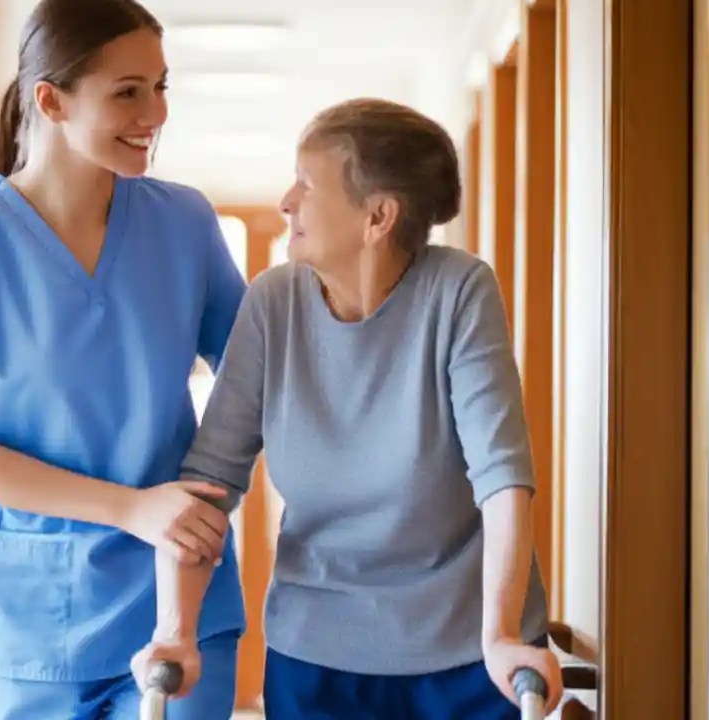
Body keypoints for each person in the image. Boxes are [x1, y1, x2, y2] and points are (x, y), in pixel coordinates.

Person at [134, 98, 564, 718]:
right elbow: (209, 481)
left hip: (468, 655)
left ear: (378, 216)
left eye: (307, 184)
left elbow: (502, 478)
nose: (287, 201)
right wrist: (175, 626)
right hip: (317, 654)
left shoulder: (459, 291)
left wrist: (501, 634)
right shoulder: (272, 303)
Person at [0, 1, 248, 717]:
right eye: (128, 91)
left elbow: (261, 377)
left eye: (161, 86)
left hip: (176, 597)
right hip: (24, 624)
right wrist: (130, 508)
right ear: (49, 100)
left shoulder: (185, 225)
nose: (156, 112)